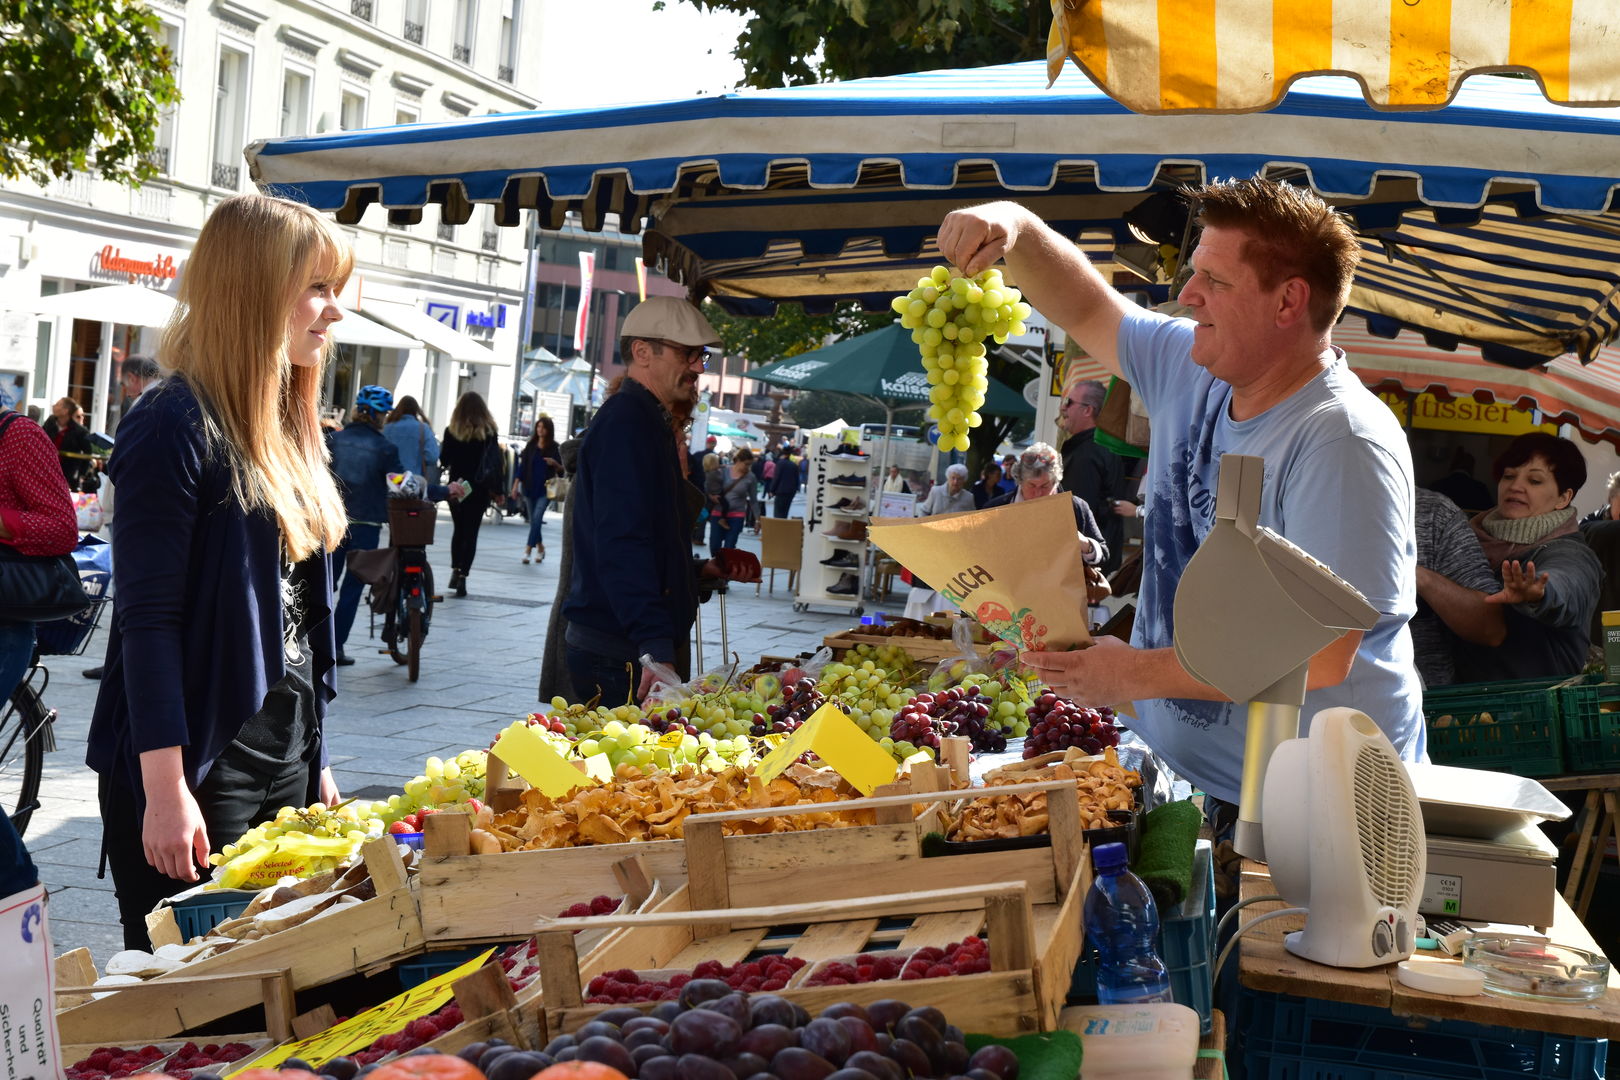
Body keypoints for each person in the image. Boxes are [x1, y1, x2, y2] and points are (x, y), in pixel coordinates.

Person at [939, 178, 1423, 832]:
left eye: (1215, 282)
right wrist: (1013, 226)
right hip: (1194, 785)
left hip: (1317, 818)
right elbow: (1084, 309)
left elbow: (1325, 653)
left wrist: (1134, 675)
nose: (1187, 295)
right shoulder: (1191, 364)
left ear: (1289, 301)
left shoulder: (1342, 440)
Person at [87, 193, 350, 949]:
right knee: (195, 1004)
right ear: (255, 287)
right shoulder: (171, 421)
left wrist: (317, 761)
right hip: (201, 764)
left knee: (278, 988)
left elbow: (302, 620)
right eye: (318, 287)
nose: (333, 312)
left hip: (285, 754)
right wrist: (165, 791)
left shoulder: (287, 425)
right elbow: (149, 622)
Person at [563, 297, 727, 706]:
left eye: (701, 356)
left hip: (628, 644)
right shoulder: (626, 424)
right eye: (687, 354)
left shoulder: (643, 420)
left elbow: (643, 537)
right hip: (620, 650)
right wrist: (653, 646)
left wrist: (693, 571)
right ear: (642, 352)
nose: (697, 367)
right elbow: (623, 542)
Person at [1452, 433, 1602, 682]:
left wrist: (1540, 593)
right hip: (1459, 707)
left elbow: (1568, 581)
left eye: (1534, 480)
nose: (1515, 486)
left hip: (1532, 711)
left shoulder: (1571, 552)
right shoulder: (1463, 537)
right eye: (1509, 476)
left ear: (1563, 498)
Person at [327, 385, 406, 666]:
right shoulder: (386, 449)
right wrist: (442, 492)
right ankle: (335, 648)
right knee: (352, 590)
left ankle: (311, 645)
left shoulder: (335, 440)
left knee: (324, 587)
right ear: (380, 416)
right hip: (367, 527)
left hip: (332, 523)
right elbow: (400, 485)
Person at [1411, 488, 1505, 688]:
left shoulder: (1434, 513)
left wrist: (1416, 575)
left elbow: (1490, 628)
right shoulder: (1326, 511)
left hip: (1423, 708)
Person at [985, 443, 1108, 567]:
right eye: (1032, 485)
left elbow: (1103, 555)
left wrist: (1084, 543)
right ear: (1020, 480)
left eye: (1045, 486)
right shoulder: (995, 509)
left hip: (1061, 585)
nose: (1038, 493)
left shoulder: (1076, 507)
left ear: (1056, 482)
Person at [1058, 378, 1129, 573]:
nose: (1064, 408)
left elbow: (1076, 515)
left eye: (1069, 402)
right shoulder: (1100, 446)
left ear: (1087, 410)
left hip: (1082, 564)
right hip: (1095, 558)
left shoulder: (1087, 453)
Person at [439, 391, 503, 598]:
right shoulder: (490, 432)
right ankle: (464, 576)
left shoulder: (452, 431)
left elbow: (444, 459)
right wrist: (498, 491)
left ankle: (455, 569)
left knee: (458, 529)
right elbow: (496, 463)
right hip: (479, 488)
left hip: (457, 487)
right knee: (471, 532)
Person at [513, 415, 562, 564]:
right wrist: (515, 485)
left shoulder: (554, 447)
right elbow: (522, 467)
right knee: (534, 520)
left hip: (545, 489)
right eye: (538, 427)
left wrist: (554, 463)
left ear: (549, 430)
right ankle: (540, 548)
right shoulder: (531, 445)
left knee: (537, 518)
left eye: (543, 427)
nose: (540, 430)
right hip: (528, 487)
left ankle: (528, 550)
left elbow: (562, 470)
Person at [42, 395, 94, 491]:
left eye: (58, 405)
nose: (54, 406)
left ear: (65, 411)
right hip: (46, 470)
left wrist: (81, 475)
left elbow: (88, 454)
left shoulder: (80, 432)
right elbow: (41, 439)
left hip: (67, 475)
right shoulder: (50, 422)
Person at [709, 448, 754, 558]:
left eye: (750, 465)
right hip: (718, 514)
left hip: (737, 516)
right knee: (714, 545)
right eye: (746, 464)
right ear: (738, 460)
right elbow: (711, 487)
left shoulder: (750, 477)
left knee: (729, 547)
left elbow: (754, 500)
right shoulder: (723, 471)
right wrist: (711, 496)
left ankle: (725, 572)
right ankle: (716, 569)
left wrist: (757, 519)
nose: (748, 467)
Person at [383, 395, 439, 479]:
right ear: (416, 410)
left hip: (390, 481)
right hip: (413, 481)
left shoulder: (387, 428)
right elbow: (432, 457)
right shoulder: (423, 429)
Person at [1430, 447, 1494, 515]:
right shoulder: (1480, 488)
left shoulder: (1436, 485)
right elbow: (1490, 514)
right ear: (1472, 468)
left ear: (1452, 465)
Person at [771, 449, 801, 517]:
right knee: (785, 512)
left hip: (780, 491)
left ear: (782, 455)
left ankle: (778, 526)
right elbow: (797, 479)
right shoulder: (794, 465)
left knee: (778, 512)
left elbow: (777, 477)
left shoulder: (780, 463)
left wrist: (772, 490)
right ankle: (783, 525)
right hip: (790, 492)